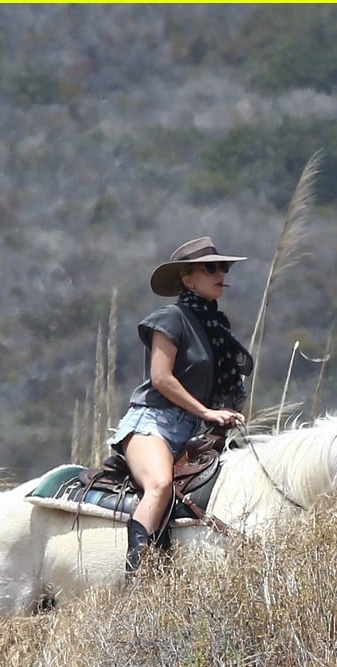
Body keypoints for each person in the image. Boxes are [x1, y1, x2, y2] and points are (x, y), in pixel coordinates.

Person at [108, 236, 254, 576]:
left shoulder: (215, 327)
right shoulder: (171, 318)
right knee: (159, 485)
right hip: (153, 424)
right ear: (187, 279)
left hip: (192, 431)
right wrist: (206, 412)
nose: (221, 273)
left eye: (223, 267)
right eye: (210, 268)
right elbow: (161, 378)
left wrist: (221, 416)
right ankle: (137, 574)